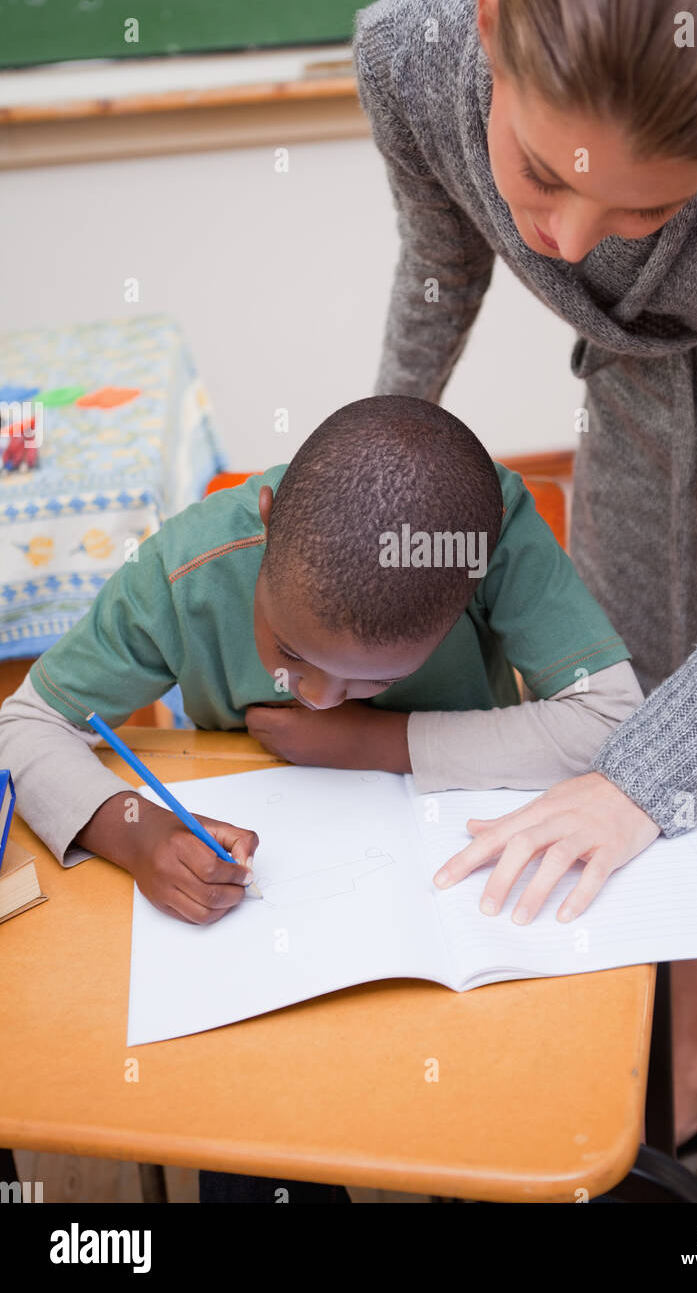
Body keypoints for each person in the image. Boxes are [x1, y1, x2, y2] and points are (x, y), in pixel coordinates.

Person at [351, 0, 697, 1202]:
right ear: (487, 38)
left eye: (646, 207)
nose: (568, 244)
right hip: (643, 437)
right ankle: (692, 1062)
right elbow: (436, 266)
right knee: (674, 753)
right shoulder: (412, 45)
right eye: (540, 172)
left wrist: (640, 777)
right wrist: (372, 466)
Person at [0, 394, 643, 1202]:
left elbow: (615, 720)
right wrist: (128, 829)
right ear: (267, 521)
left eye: (377, 678)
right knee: (253, 1141)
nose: (322, 701)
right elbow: (24, 722)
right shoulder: (182, 573)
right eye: (293, 652)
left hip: (457, 905)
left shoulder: (490, 536)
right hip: (257, 940)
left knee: (501, 1120)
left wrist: (378, 743)